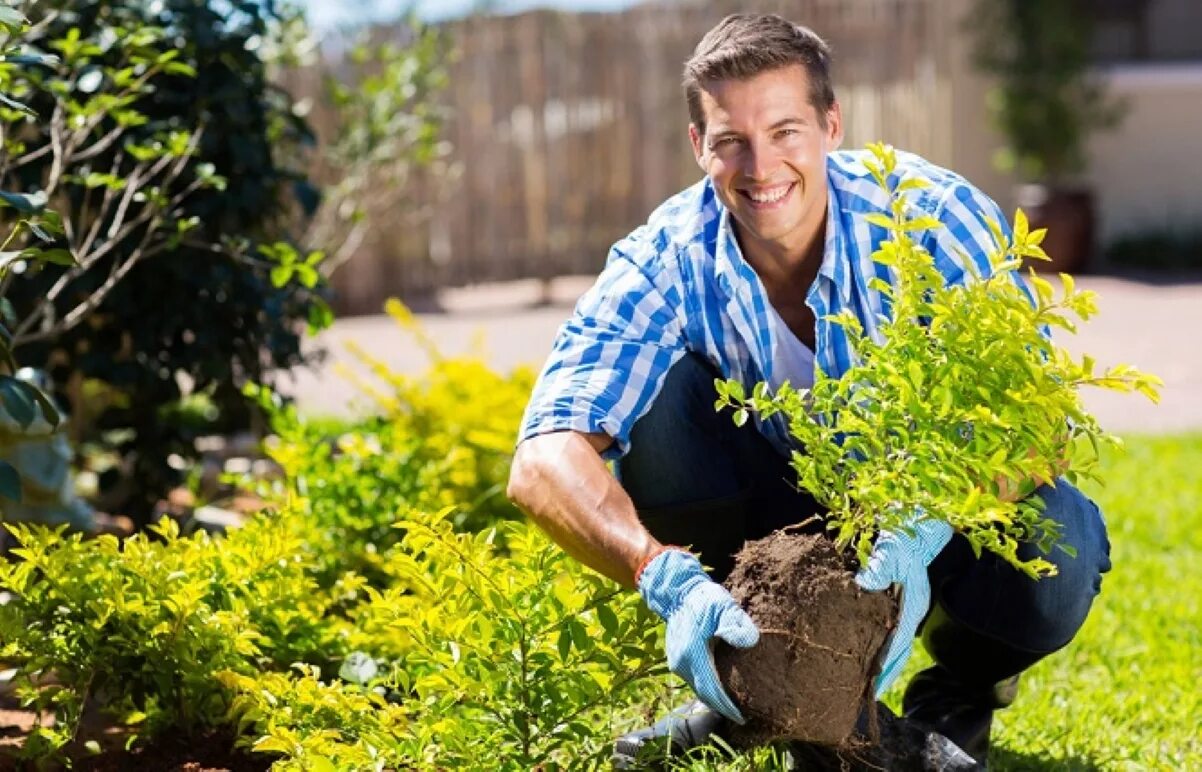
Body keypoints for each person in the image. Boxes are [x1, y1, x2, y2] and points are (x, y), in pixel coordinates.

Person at [506, 12, 1111, 769]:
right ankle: (756, 675)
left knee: (1059, 541)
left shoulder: (926, 216)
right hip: (768, 528)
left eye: (785, 131)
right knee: (654, 405)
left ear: (830, 124)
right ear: (699, 148)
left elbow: (1037, 417)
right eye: (731, 142)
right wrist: (657, 571)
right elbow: (543, 457)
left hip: (926, 511)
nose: (761, 168)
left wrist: (928, 519)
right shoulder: (664, 257)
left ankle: (958, 689)